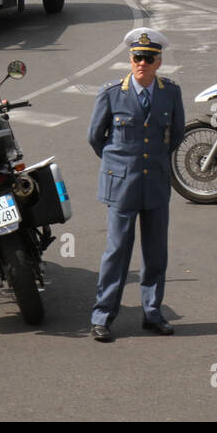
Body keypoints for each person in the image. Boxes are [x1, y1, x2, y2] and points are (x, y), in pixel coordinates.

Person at [88, 28, 186, 342]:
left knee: (156, 253)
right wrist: (119, 164)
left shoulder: (170, 92)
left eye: (148, 58)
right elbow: (95, 137)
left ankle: (153, 314)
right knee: (116, 251)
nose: (141, 63)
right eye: (136, 57)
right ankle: (102, 317)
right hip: (122, 185)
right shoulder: (111, 92)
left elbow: (177, 134)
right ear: (130, 60)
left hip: (155, 182)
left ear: (158, 62)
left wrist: (152, 161)